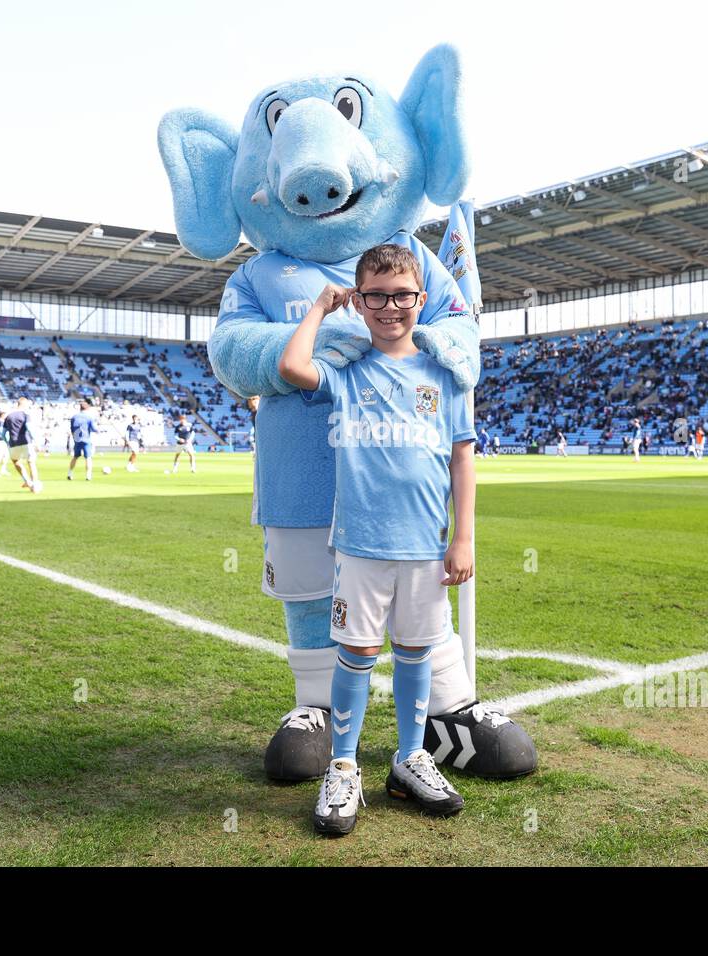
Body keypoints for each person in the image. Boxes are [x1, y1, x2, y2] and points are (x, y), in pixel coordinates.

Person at [277, 244, 472, 835]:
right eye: (378, 296)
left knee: (415, 652)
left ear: (421, 299)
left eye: (403, 296)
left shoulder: (447, 374)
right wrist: (319, 307)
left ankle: (410, 758)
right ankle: (343, 766)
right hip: (360, 545)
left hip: (424, 546)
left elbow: (463, 460)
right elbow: (290, 367)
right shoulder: (348, 369)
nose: (392, 308)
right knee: (358, 654)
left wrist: (463, 539)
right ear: (359, 301)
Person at [3, 397, 42, 492]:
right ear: (24, 404)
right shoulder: (25, 415)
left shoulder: (9, 416)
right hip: (25, 442)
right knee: (31, 462)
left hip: (13, 443)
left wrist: (7, 442)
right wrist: (36, 442)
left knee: (16, 461)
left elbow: (2, 433)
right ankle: (35, 485)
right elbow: (29, 428)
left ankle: (27, 481)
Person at [68, 400, 98, 481]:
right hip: (86, 439)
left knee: (75, 457)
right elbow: (94, 429)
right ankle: (88, 476)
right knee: (88, 457)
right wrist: (98, 430)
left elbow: (72, 429)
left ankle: (70, 473)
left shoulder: (74, 417)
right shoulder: (89, 417)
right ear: (87, 408)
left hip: (77, 439)